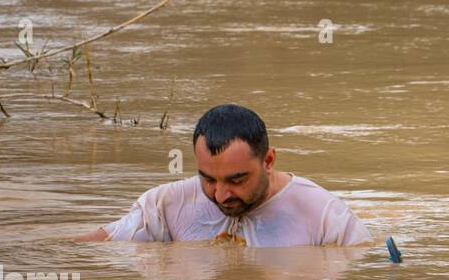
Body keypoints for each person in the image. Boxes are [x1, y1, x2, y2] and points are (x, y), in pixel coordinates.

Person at [70, 103, 371, 247]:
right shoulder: (167, 203)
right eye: (208, 179)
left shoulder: (327, 218)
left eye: (237, 180)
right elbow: (97, 245)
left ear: (268, 160)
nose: (221, 195)